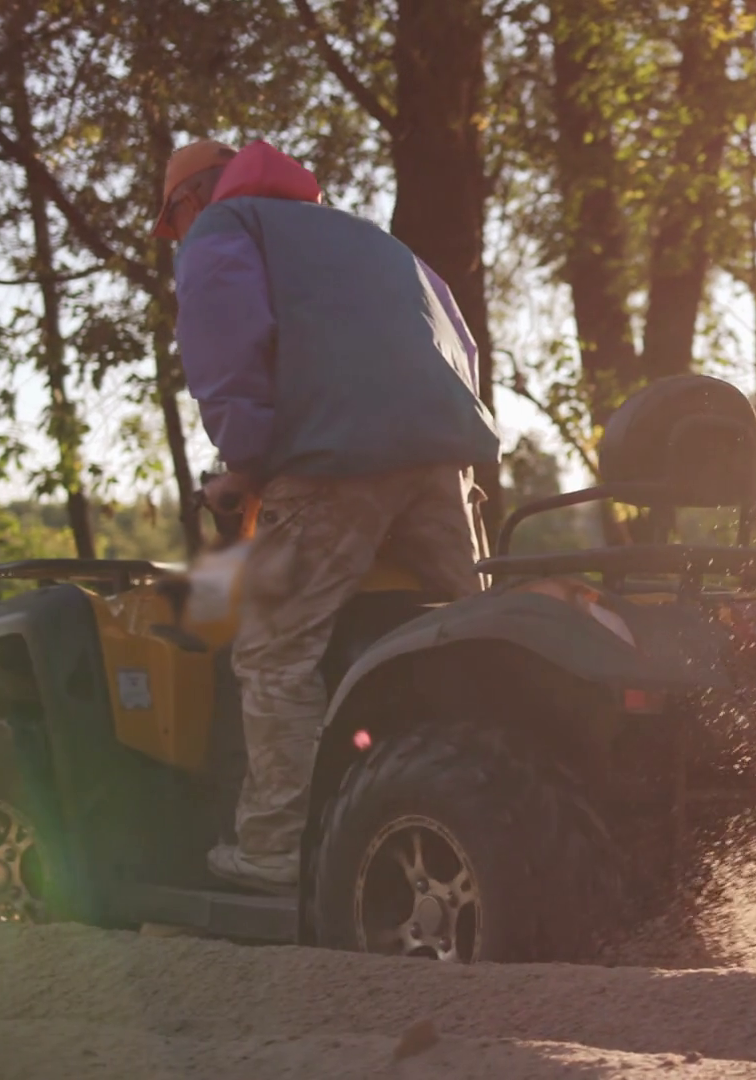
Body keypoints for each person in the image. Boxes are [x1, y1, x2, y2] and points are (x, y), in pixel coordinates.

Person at [156, 138, 500, 892]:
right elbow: (461, 345)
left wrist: (244, 466)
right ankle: (500, 813)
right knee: (478, 641)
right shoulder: (372, 239)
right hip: (442, 466)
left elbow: (226, 345)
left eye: (172, 222)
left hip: (332, 466)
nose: (177, 239)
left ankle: (276, 850)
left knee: (272, 653)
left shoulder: (223, 230)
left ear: (190, 200)